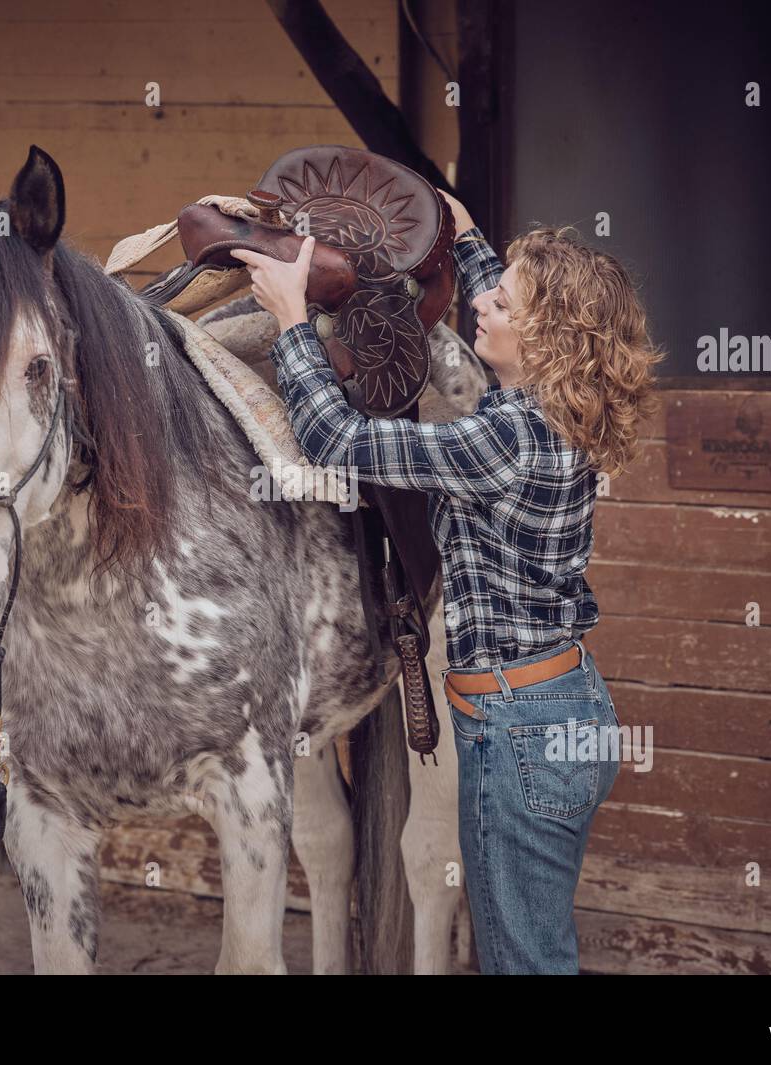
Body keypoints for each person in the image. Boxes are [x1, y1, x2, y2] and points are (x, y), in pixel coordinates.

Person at [230, 191, 661, 974]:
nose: (483, 303)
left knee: (522, 962)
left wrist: (292, 319)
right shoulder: (555, 407)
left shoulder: (501, 440)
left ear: (545, 336)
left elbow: (336, 440)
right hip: (562, 706)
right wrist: (461, 233)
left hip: (519, 728)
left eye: (503, 300)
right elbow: (510, 298)